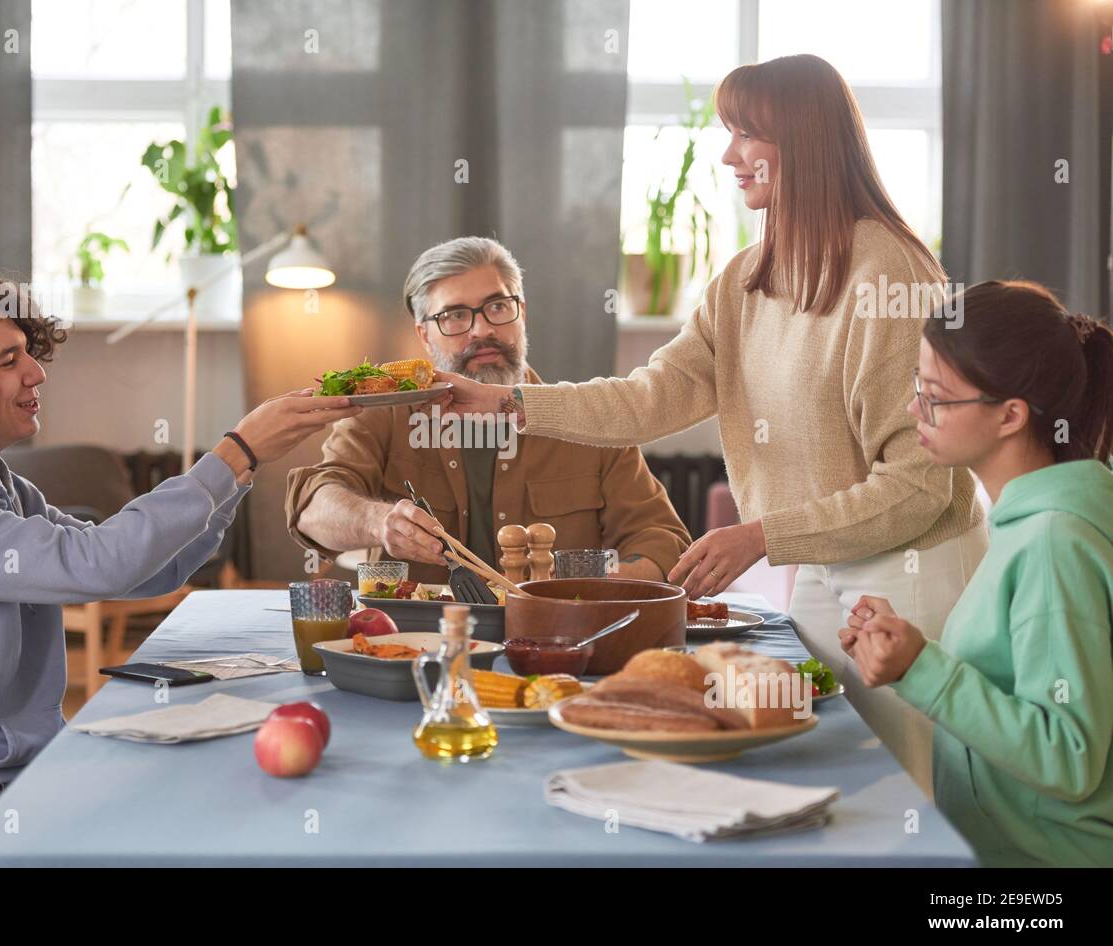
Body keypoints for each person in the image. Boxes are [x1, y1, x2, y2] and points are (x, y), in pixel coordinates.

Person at [439, 55, 987, 793]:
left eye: (746, 133)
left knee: (904, 786)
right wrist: (512, 403)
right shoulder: (746, 277)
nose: (728, 155)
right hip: (823, 565)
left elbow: (919, 489)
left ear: (805, 141)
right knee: (827, 764)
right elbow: (648, 397)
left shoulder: (888, 275)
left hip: (913, 564)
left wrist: (761, 536)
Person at [0, 272, 360, 865]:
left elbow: (140, 572)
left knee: (221, 790)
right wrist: (235, 452)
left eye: (29, 351)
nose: (37, 372)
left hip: (29, 778)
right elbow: (101, 564)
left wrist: (240, 473)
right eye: (8, 360)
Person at [840, 280, 1113, 866]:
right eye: (918, 386)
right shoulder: (1029, 522)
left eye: (935, 395)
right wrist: (909, 651)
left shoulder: (1052, 543)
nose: (915, 409)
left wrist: (921, 668)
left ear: (1010, 414)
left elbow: (1066, 754)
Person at [287, 236, 690, 584]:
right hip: (419, 643)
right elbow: (311, 508)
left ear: (522, 313)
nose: (482, 330)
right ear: (424, 336)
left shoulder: (584, 417)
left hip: (554, 643)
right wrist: (378, 522)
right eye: (455, 315)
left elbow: (662, 542)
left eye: (498, 306)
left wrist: (591, 587)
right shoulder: (383, 415)